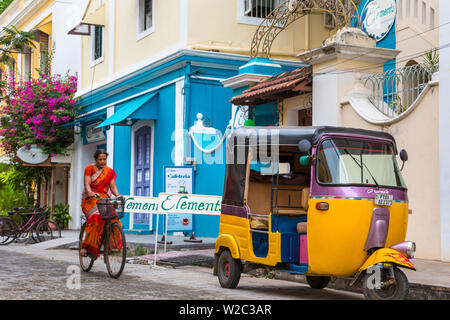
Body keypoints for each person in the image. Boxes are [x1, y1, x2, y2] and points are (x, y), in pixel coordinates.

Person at [80, 149, 121, 258]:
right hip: (90, 199)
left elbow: (113, 187)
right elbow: (87, 183)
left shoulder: (109, 171)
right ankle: (87, 246)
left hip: (103, 199)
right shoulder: (89, 168)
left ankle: (113, 244)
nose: (103, 162)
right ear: (95, 159)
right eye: (100, 159)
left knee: (114, 217)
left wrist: (118, 196)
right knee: (96, 217)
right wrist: (90, 193)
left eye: (104, 159)